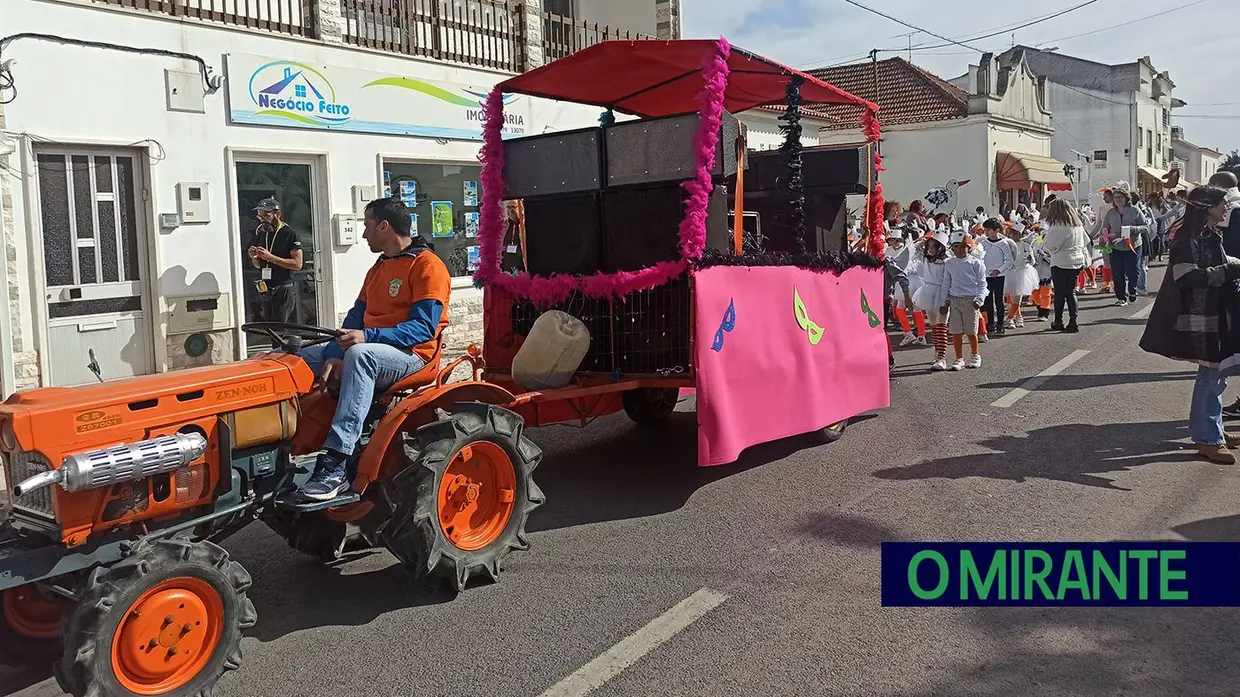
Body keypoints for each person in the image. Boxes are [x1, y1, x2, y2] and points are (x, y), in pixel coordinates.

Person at [296, 198, 452, 500]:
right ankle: (287, 445)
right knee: (296, 358)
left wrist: (367, 337)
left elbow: (423, 329)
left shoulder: (428, 266)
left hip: (413, 354)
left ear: (384, 226)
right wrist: (334, 355)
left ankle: (336, 462)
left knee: (359, 355)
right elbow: (355, 317)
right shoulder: (378, 268)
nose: (364, 234)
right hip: (373, 347)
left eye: (367, 226)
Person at [1139, 186, 1240, 464]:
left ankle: (1213, 430)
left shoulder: (1208, 234)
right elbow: (1187, 277)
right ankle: (1208, 439)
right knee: (1211, 376)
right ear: (1208, 208)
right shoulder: (1187, 240)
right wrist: (1230, 270)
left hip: (1213, 313)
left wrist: (1231, 265)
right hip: (1201, 318)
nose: (1226, 208)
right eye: (1222, 203)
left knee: (1216, 375)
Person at [247, 198, 304, 328]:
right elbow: (258, 265)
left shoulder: (290, 234)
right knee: (270, 327)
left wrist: (270, 257)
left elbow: (297, 264)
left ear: (277, 214)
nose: (262, 219)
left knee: (280, 328)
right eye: (260, 216)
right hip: (266, 287)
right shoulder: (261, 234)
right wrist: (254, 257)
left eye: (266, 215)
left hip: (283, 287)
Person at [1098, 182, 1151, 307]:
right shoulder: (1110, 213)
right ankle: (1121, 297)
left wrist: (1134, 229)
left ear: (1126, 198)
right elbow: (1105, 228)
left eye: (1120, 197)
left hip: (1133, 246)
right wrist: (1102, 239)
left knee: (1133, 271)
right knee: (1117, 273)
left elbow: (1145, 227)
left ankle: (1132, 291)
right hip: (1115, 247)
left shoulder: (1134, 210)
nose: (1118, 200)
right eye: (1115, 197)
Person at [1041, 198, 1090, 332]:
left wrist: (1045, 238)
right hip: (1077, 260)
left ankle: (1058, 321)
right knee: (1071, 292)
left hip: (1061, 262)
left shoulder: (1057, 226)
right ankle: (1073, 321)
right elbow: (1086, 240)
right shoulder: (1077, 225)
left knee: (1060, 293)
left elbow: (1050, 245)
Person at [942, 230, 987, 370]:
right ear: (952, 248)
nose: (960, 249)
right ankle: (959, 358)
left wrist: (979, 299)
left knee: (971, 331)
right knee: (956, 332)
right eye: (956, 246)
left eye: (963, 246)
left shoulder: (976, 263)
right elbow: (946, 283)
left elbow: (982, 283)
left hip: (970, 300)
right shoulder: (949, 263)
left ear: (969, 248)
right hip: (954, 300)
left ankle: (975, 355)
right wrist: (944, 301)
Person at [912, 231, 952, 370]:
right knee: (934, 326)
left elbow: (949, 280)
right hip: (928, 292)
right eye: (929, 246)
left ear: (940, 247)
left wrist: (947, 300)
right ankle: (937, 352)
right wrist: (923, 241)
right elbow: (914, 249)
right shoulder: (926, 259)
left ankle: (942, 357)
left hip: (942, 293)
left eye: (934, 246)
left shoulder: (947, 262)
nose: (930, 249)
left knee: (941, 326)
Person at [977, 218, 1017, 337]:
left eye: (988, 230)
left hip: (999, 276)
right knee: (988, 301)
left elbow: (1009, 260)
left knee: (999, 300)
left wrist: (999, 270)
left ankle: (1000, 324)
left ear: (997, 230)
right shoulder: (983, 243)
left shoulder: (1003, 243)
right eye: (985, 230)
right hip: (986, 276)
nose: (986, 232)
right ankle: (990, 323)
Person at [887, 233, 926, 346]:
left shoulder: (907, 250)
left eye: (898, 240)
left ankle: (915, 334)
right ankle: (916, 334)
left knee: (911, 308)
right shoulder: (889, 250)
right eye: (893, 240)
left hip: (908, 281)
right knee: (902, 308)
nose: (895, 242)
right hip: (905, 282)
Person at [1003, 223, 1038, 329]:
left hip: (1022, 273)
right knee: (1012, 297)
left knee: (1017, 297)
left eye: (1012, 232)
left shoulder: (1025, 245)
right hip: (1009, 272)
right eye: (1009, 232)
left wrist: (1029, 259)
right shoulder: (1006, 244)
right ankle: (1018, 317)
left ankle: (1010, 317)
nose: (1010, 234)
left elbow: (1032, 261)